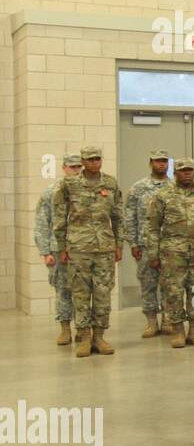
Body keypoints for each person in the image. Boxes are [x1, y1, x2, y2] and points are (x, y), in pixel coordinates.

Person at [53, 145, 123, 358]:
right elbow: (59, 217)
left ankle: (99, 336)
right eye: (91, 159)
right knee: (81, 294)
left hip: (104, 248)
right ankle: (84, 337)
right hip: (78, 248)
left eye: (98, 159)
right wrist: (62, 247)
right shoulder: (69, 184)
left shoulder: (110, 183)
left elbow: (118, 216)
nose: (95, 163)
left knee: (102, 293)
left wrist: (119, 245)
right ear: (82, 161)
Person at [144, 158, 194, 349]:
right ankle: (178, 330)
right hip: (172, 252)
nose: (187, 173)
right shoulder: (163, 196)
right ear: (175, 173)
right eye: (183, 170)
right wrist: (153, 254)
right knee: (174, 290)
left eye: (190, 170)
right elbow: (152, 227)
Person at [35, 154, 83, 345]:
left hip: (83, 249)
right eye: (72, 167)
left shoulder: (89, 191)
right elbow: (42, 222)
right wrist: (45, 252)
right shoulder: (51, 191)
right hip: (58, 249)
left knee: (84, 292)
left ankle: (82, 328)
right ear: (64, 168)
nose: (76, 170)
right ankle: (65, 329)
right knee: (63, 290)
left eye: (79, 166)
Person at [124, 149, 171, 338]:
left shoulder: (174, 187)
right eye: (158, 161)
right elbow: (129, 217)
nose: (162, 164)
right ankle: (151, 322)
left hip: (169, 246)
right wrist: (133, 243)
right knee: (148, 284)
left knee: (169, 284)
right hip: (145, 245)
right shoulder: (138, 188)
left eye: (164, 161)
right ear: (150, 163)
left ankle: (168, 320)